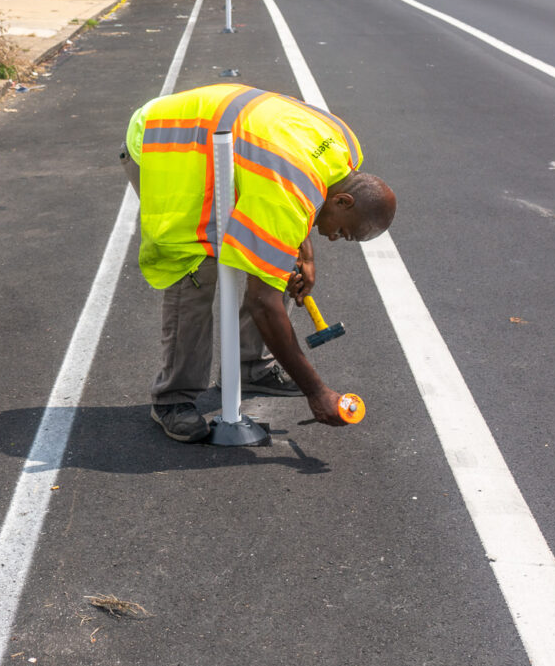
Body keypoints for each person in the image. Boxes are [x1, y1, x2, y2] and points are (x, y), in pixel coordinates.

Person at [120, 84, 396, 442]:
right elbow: (262, 303)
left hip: (222, 146)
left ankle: (250, 366)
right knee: (194, 266)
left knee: (275, 262)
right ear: (343, 202)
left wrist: (304, 255)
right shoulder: (291, 186)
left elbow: (301, 191)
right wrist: (316, 391)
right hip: (166, 141)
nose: (334, 238)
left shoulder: (345, 151)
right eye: (343, 232)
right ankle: (173, 398)